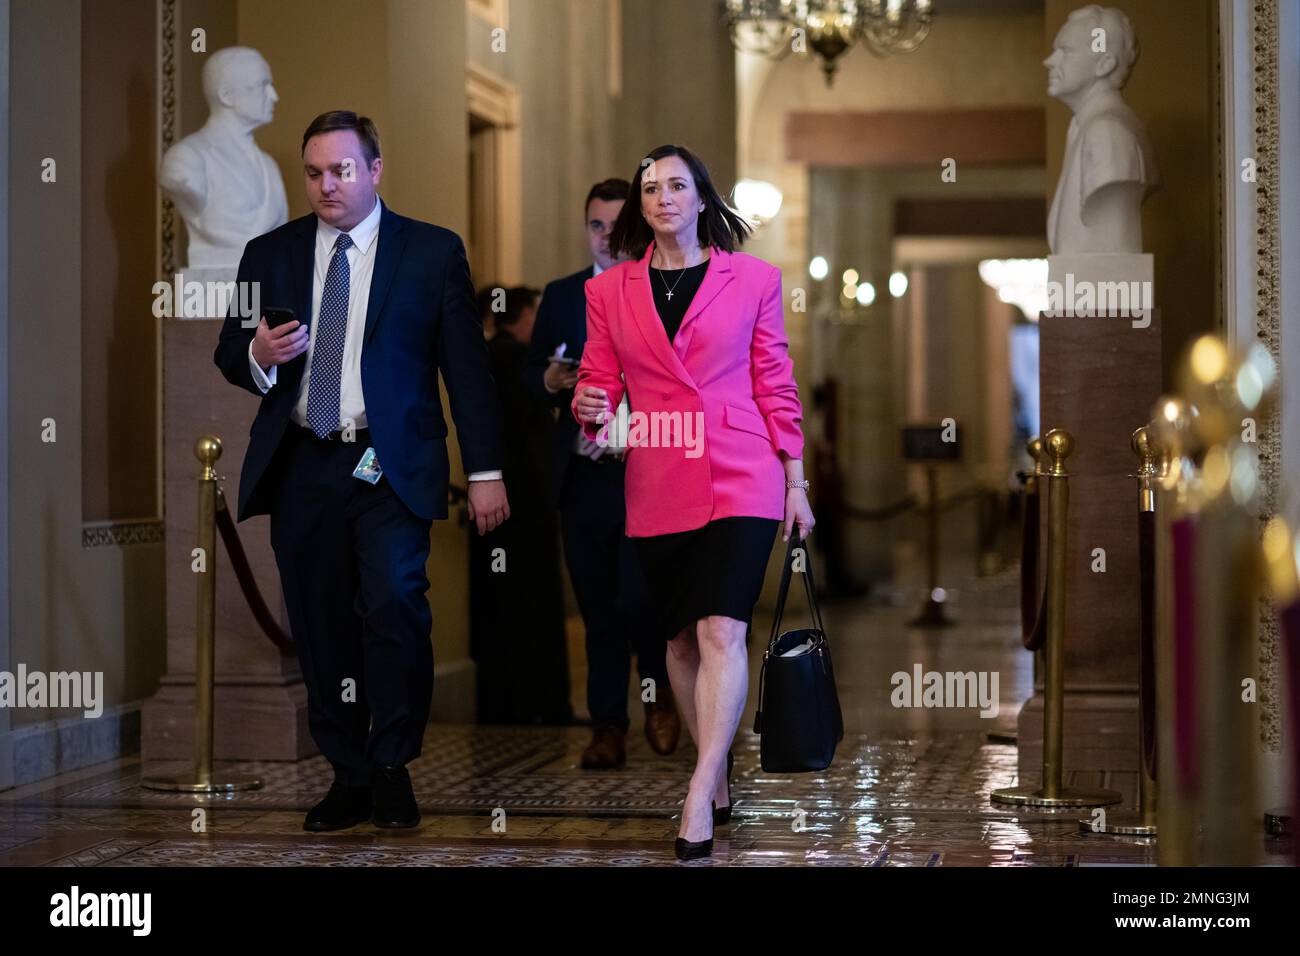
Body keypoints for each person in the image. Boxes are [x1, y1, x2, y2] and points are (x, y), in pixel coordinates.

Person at [213, 110, 509, 832]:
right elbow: (230, 351)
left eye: (341, 170)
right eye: (313, 172)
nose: (325, 185)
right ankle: (347, 772)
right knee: (319, 622)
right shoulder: (269, 253)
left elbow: (466, 373)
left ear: (375, 169)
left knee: (396, 604)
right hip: (304, 462)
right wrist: (257, 354)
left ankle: (391, 762)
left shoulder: (432, 253)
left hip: (390, 462)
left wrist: (486, 471)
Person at [573, 145, 814, 859]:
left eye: (677, 185)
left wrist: (796, 483)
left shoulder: (754, 280)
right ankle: (719, 768)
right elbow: (599, 387)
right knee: (678, 638)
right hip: (657, 474)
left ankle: (698, 792)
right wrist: (590, 406)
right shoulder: (610, 291)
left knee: (720, 630)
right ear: (641, 207)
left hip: (742, 472)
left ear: (702, 197)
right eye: (651, 188)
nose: (663, 197)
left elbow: (775, 382)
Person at [527, 179, 681, 769]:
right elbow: (527, 371)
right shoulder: (563, 294)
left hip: (647, 471)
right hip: (585, 477)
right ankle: (607, 727)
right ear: (585, 228)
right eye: (596, 226)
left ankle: (659, 690)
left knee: (643, 598)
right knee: (597, 608)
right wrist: (548, 380)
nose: (606, 237)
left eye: (617, 227)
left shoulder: (659, 286)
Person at [470, 286, 573, 724]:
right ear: (525, 317)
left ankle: (505, 703)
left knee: (501, 607)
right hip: (524, 505)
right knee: (535, 604)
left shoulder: (488, 356)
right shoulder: (515, 360)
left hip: (494, 505)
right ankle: (544, 705)